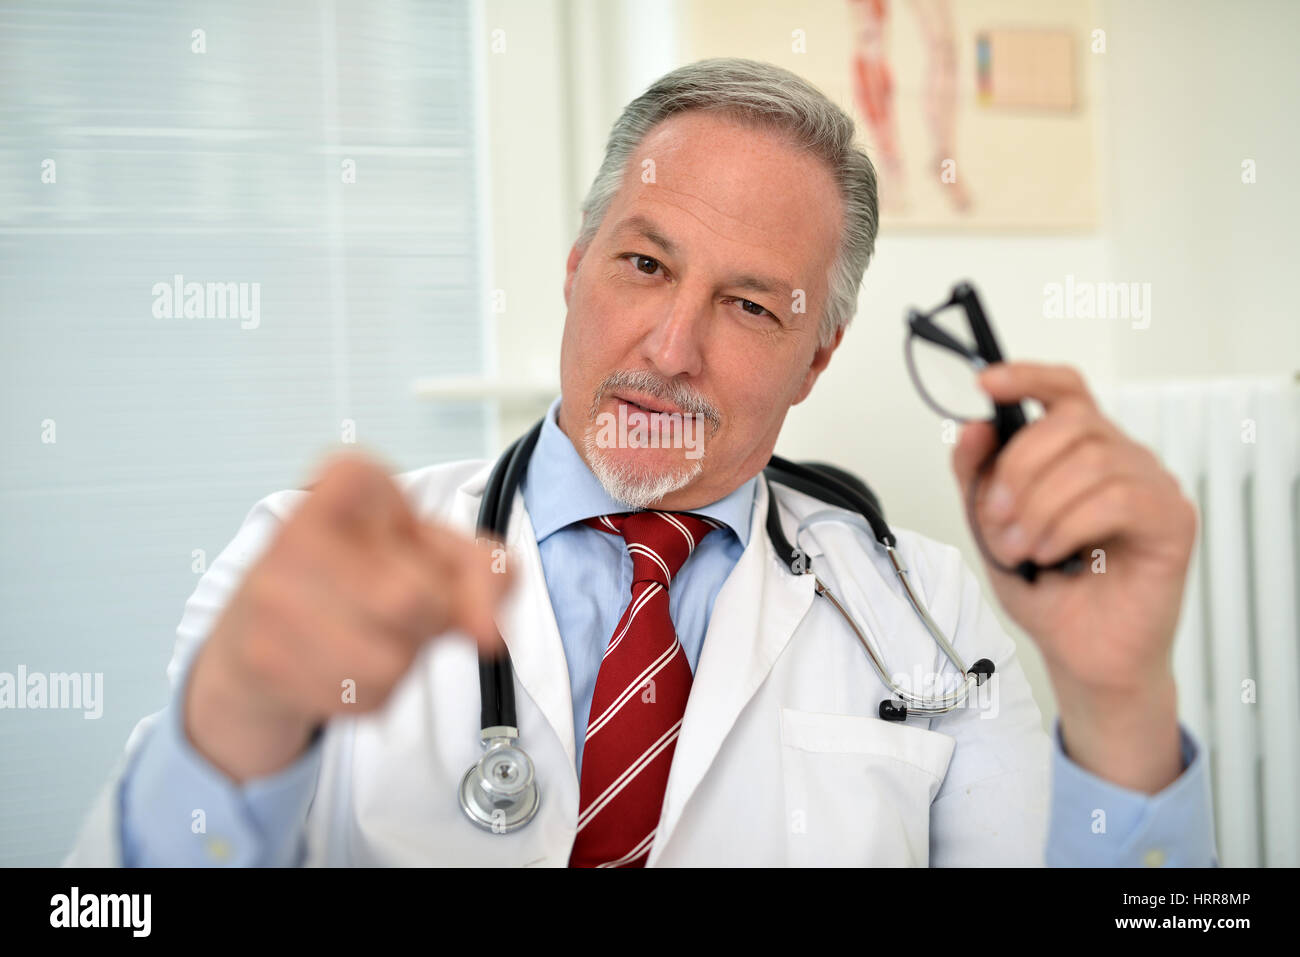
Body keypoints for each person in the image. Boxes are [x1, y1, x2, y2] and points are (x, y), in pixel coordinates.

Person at [66, 58, 1215, 867]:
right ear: (576, 271)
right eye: (646, 266)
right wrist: (239, 728)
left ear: (817, 359)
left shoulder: (926, 611)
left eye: (751, 306)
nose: (670, 352)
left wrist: (1120, 708)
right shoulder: (305, 562)